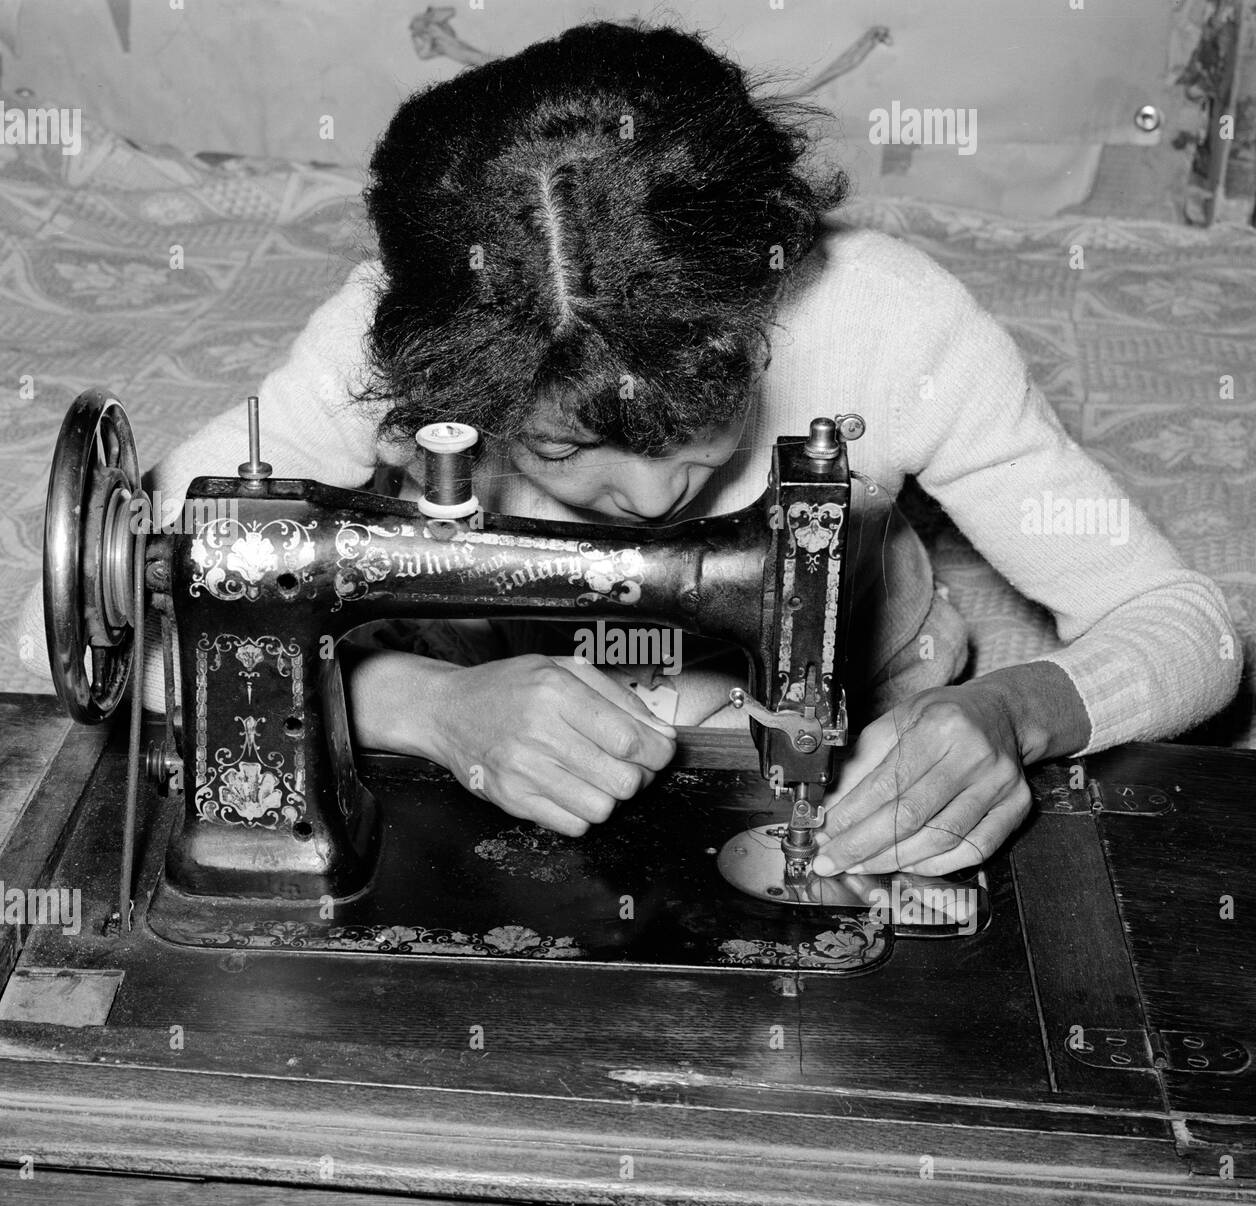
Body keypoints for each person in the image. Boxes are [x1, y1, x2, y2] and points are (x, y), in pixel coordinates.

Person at [21, 21, 1240, 880]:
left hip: (856, 721)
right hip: (486, 753)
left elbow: (1185, 624)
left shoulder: (892, 325)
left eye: (700, 436)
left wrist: (1013, 713)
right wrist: (418, 705)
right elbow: (109, 614)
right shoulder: (389, 349)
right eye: (565, 452)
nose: (657, 503)